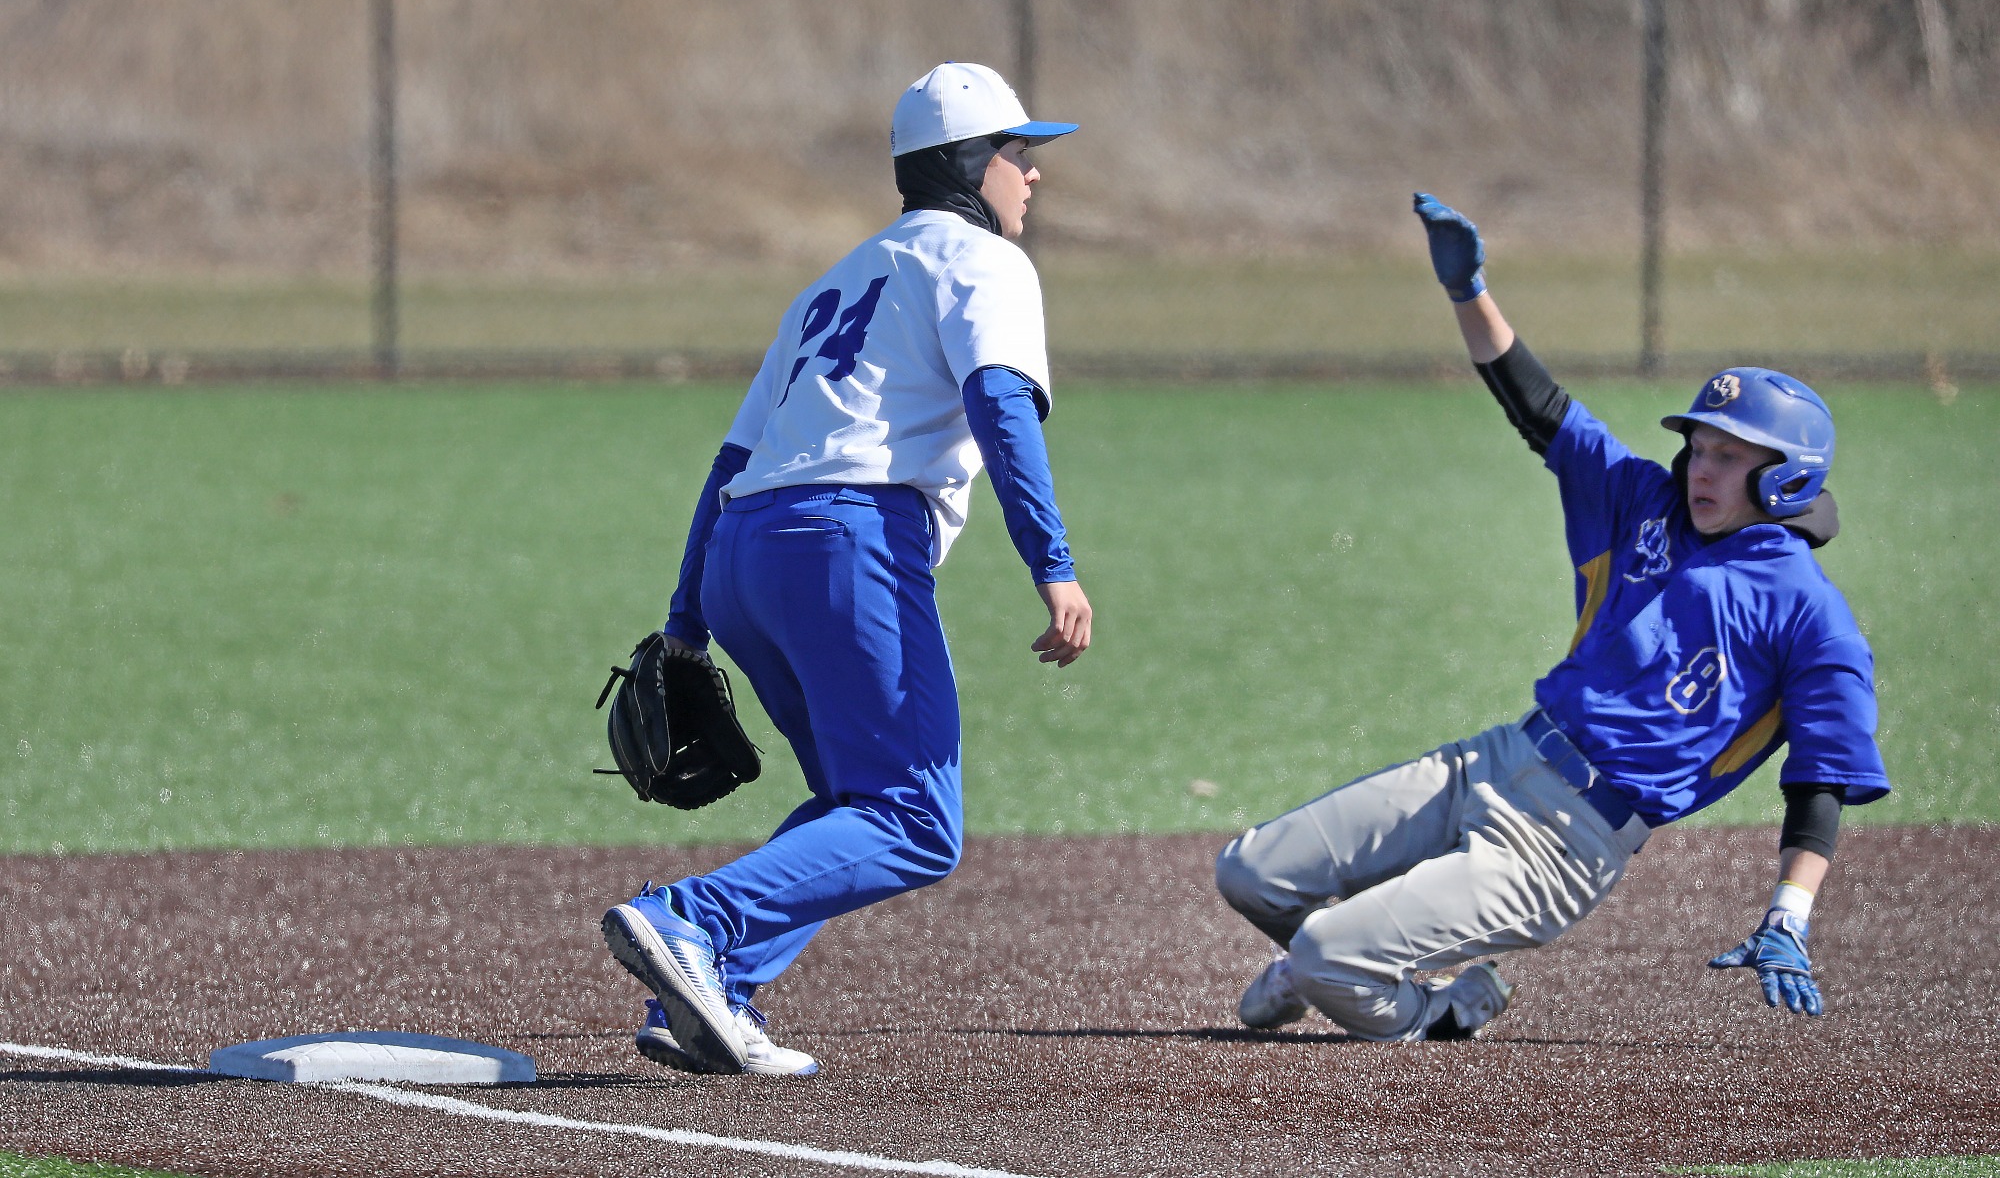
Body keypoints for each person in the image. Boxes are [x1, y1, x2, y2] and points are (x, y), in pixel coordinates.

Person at [1212, 193, 1889, 1042]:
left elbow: (1822, 776)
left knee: (1317, 951)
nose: (1700, 468)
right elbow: (1542, 410)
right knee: (1250, 872)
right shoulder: (1647, 499)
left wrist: (1789, 913)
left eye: (1728, 454)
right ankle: (1351, 964)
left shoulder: (1814, 616)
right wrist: (1468, 290)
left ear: (1786, 478)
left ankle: (1439, 1005)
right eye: (1699, 446)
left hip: (1565, 844)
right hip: (1497, 757)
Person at [600, 63, 1093, 1077]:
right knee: (914, 819)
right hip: (846, 541)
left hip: (748, 552)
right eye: (1015, 151)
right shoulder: (984, 263)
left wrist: (687, 613)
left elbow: (730, 463)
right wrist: (1052, 564)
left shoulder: (834, 281)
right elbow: (1000, 406)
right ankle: (687, 919)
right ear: (966, 166)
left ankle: (706, 991)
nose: (1030, 175)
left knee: (850, 806)